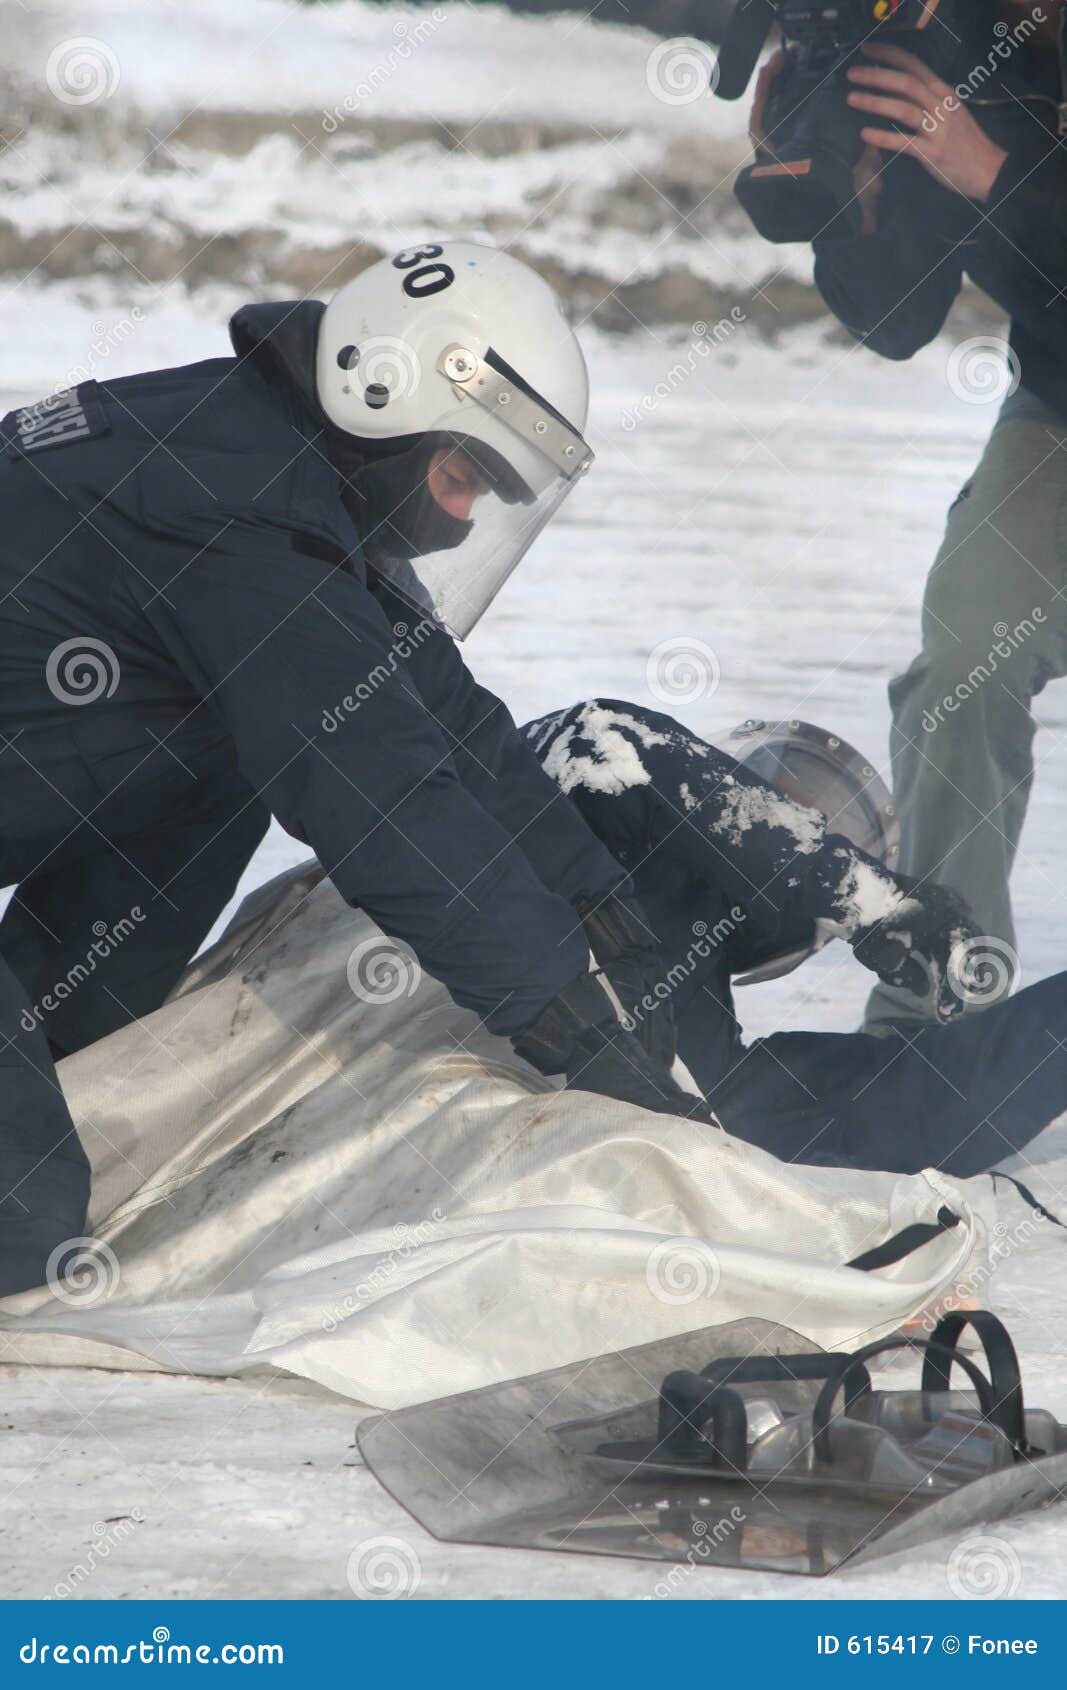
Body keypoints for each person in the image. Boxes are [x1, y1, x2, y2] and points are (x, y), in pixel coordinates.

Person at [0, 242, 702, 1297]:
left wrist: (608, 918)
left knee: (227, 757)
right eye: (459, 475)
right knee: (25, 1218)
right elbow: (388, 805)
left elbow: (444, 724)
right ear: (383, 398)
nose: (461, 517)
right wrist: (573, 1026)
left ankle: (61, 1058)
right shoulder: (236, 519)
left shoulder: (277, 467)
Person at [752, 0, 1067, 1032]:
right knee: (963, 660)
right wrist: (845, 185)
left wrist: (993, 173)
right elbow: (897, 316)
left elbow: (998, 188)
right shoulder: (954, 35)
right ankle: (930, 1012)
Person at [526, 698, 1067, 1180]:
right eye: (771, 802)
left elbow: (926, 1104)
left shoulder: (702, 1067)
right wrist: (852, 887)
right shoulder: (576, 797)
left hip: (516, 1150)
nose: (789, 822)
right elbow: (601, 740)